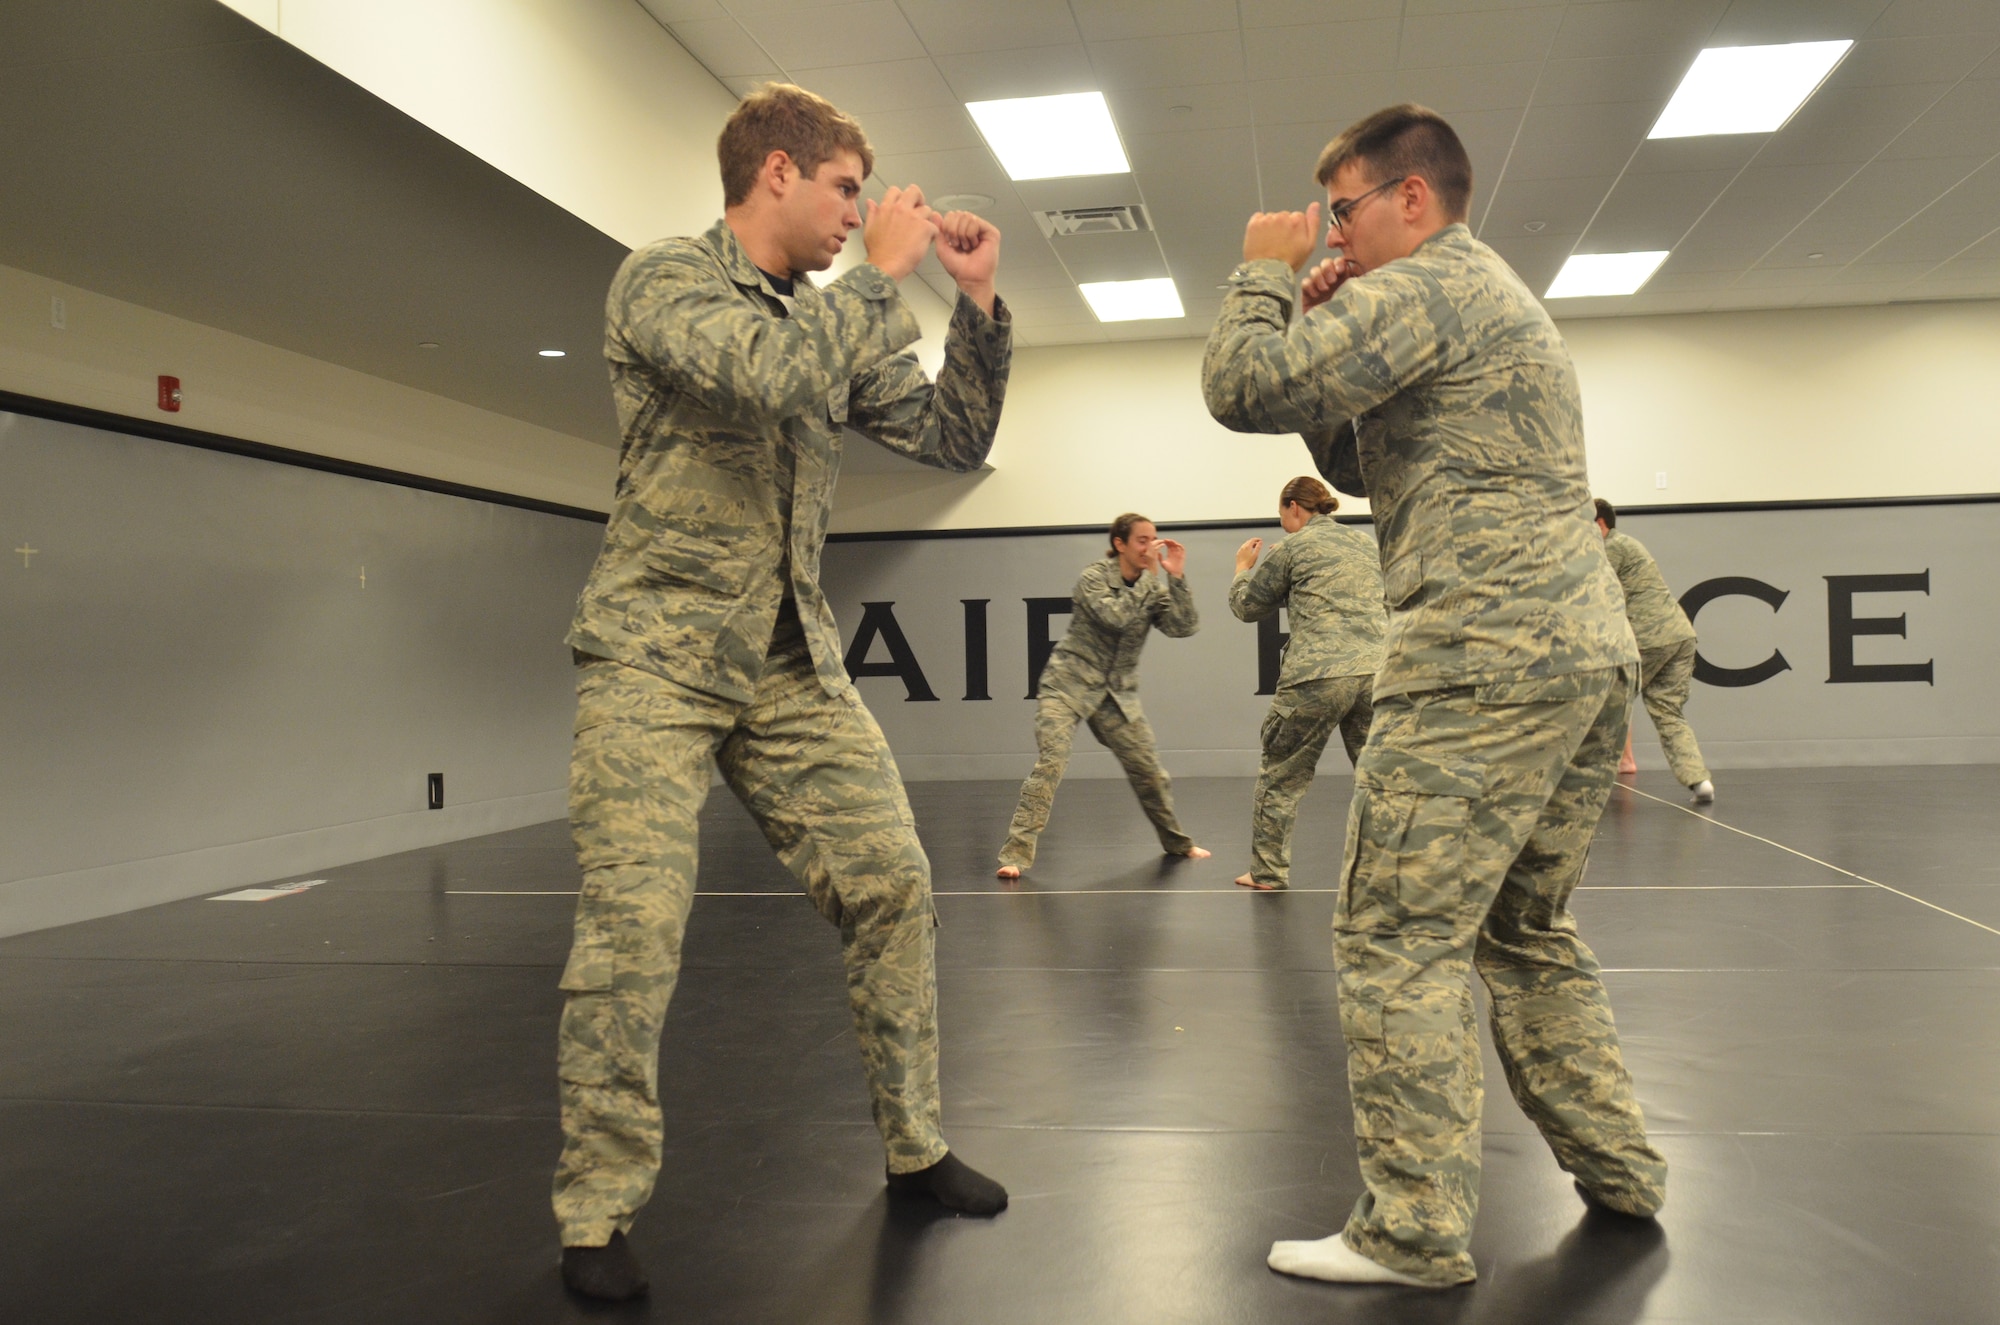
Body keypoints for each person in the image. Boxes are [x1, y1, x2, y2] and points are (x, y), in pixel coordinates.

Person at [553, 83, 1013, 1302]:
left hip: (785, 656)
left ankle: (914, 1148)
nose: (858, 210)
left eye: (863, 193)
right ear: (775, 173)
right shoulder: (664, 281)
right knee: (634, 927)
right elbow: (762, 375)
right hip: (653, 650)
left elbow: (948, 439)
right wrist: (882, 274)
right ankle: (595, 1212)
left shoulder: (832, 317)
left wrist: (969, 307)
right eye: (846, 187)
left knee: (894, 882)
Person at [1201, 103, 1668, 1288]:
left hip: (1477, 655)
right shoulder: (1473, 294)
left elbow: (1235, 383)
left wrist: (1261, 274)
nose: (1332, 238)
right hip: (1576, 656)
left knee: (1394, 934)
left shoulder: (1429, 284)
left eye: (1343, 212)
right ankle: (1622, 1170)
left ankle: (1409, 1230)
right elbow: (1359, 464)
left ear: (1413, 197)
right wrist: (1325, 357)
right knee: (1523, 929)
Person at [996, 514, 1210, 878]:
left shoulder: (1153, 586)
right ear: (1119, 544)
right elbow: (1114, 617)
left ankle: (1177, 842)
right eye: (1142, 540)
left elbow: (1183, 627)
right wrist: (1150, 581)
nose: (1150, 547)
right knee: (1051, 763)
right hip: (1067, 685)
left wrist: (1175, 578)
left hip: (1116, 695)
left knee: (1150, 772)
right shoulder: (1093, 578)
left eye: (1153, 539)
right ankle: (1014, 856)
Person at [1227, 476, 1387, 891]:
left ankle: (1266, 873)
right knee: (1380, 779)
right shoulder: (1365, 545)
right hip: (1375, 672)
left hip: (1317, 676)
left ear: (1294, 506)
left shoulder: (1295, 547)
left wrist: (1243, 569)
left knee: (1282, 775)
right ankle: (1395, 872)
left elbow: (1247, 608)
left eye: (1282, 513)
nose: (1282, 521)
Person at [1594, 498, 1715, 804]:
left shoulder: (1608, 549)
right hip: (1681, 636)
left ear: (1599, 524)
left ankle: (1587, 783)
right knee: (1668, 712)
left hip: (1648, 638)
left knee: (1604, 702)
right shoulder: (1630, 544)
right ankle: (1699, 781)